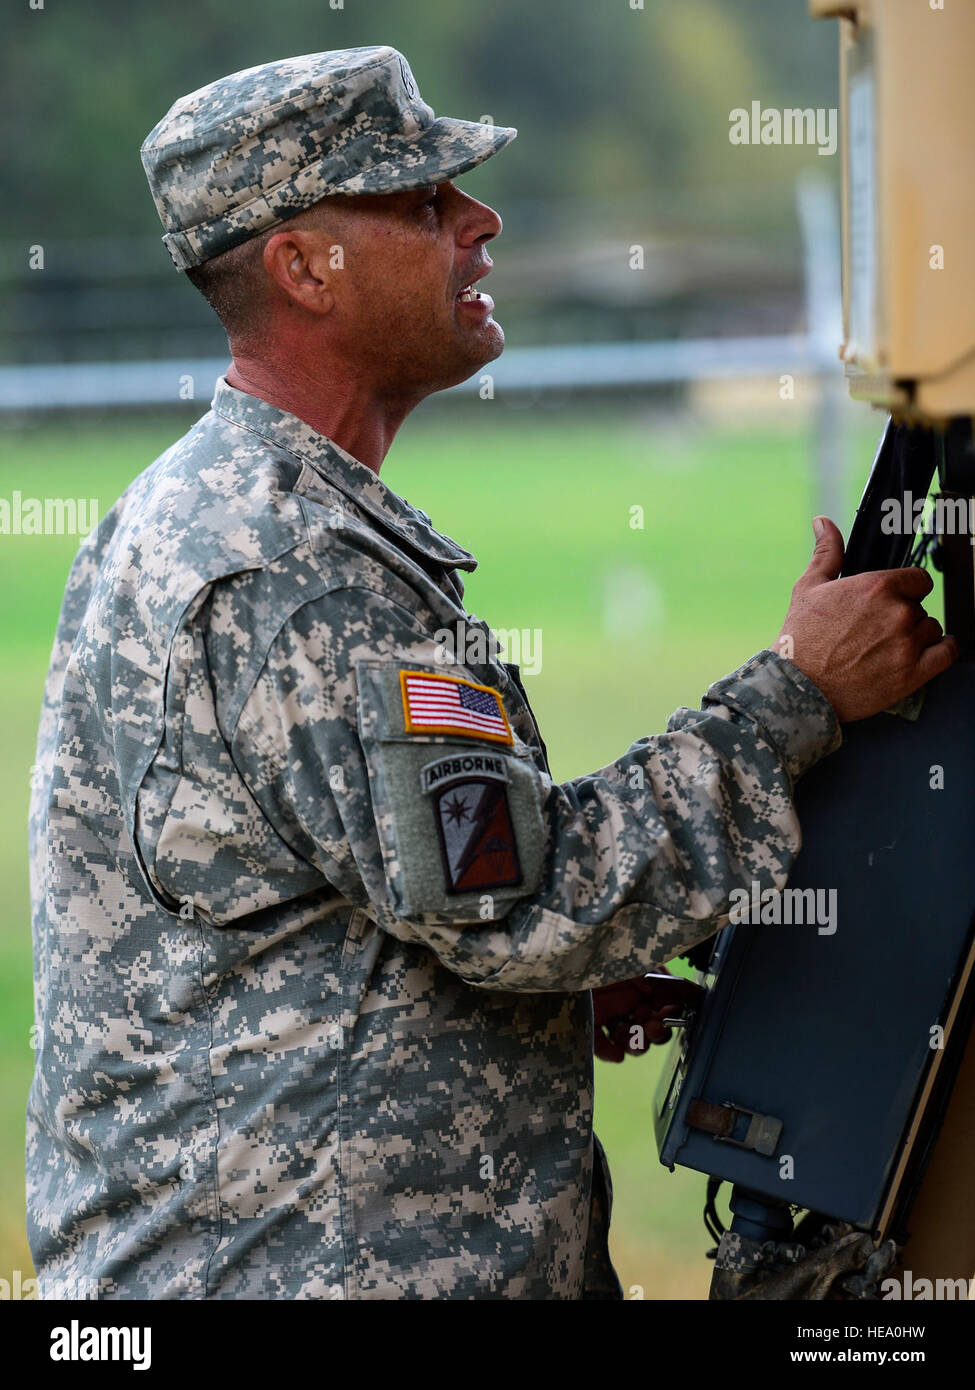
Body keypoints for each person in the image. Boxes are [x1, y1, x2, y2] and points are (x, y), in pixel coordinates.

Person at [26, 45, 957, 1302]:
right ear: (304, 268)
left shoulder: (225, 514)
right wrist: (797, 689)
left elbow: (358, 911)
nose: (480, 222)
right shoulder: (294, 569)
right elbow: (530, 902)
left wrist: (537, 1004)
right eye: (421, 205)